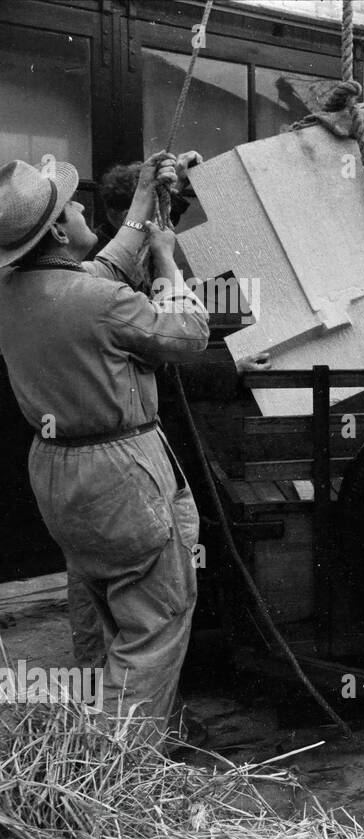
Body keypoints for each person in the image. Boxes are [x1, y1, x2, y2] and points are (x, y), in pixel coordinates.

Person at [0, 152, 209, 746]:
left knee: (98, 607)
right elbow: (189, 334)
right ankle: (117, 778)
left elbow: (106, 264)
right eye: (73, 206)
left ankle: (88, 741)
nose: (85, 204)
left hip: (58, 471)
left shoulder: (13, 290)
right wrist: (167, 258)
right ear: (61, 232)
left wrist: (145, 194)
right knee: (153, 622)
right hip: (121, 475)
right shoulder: (99, 302)